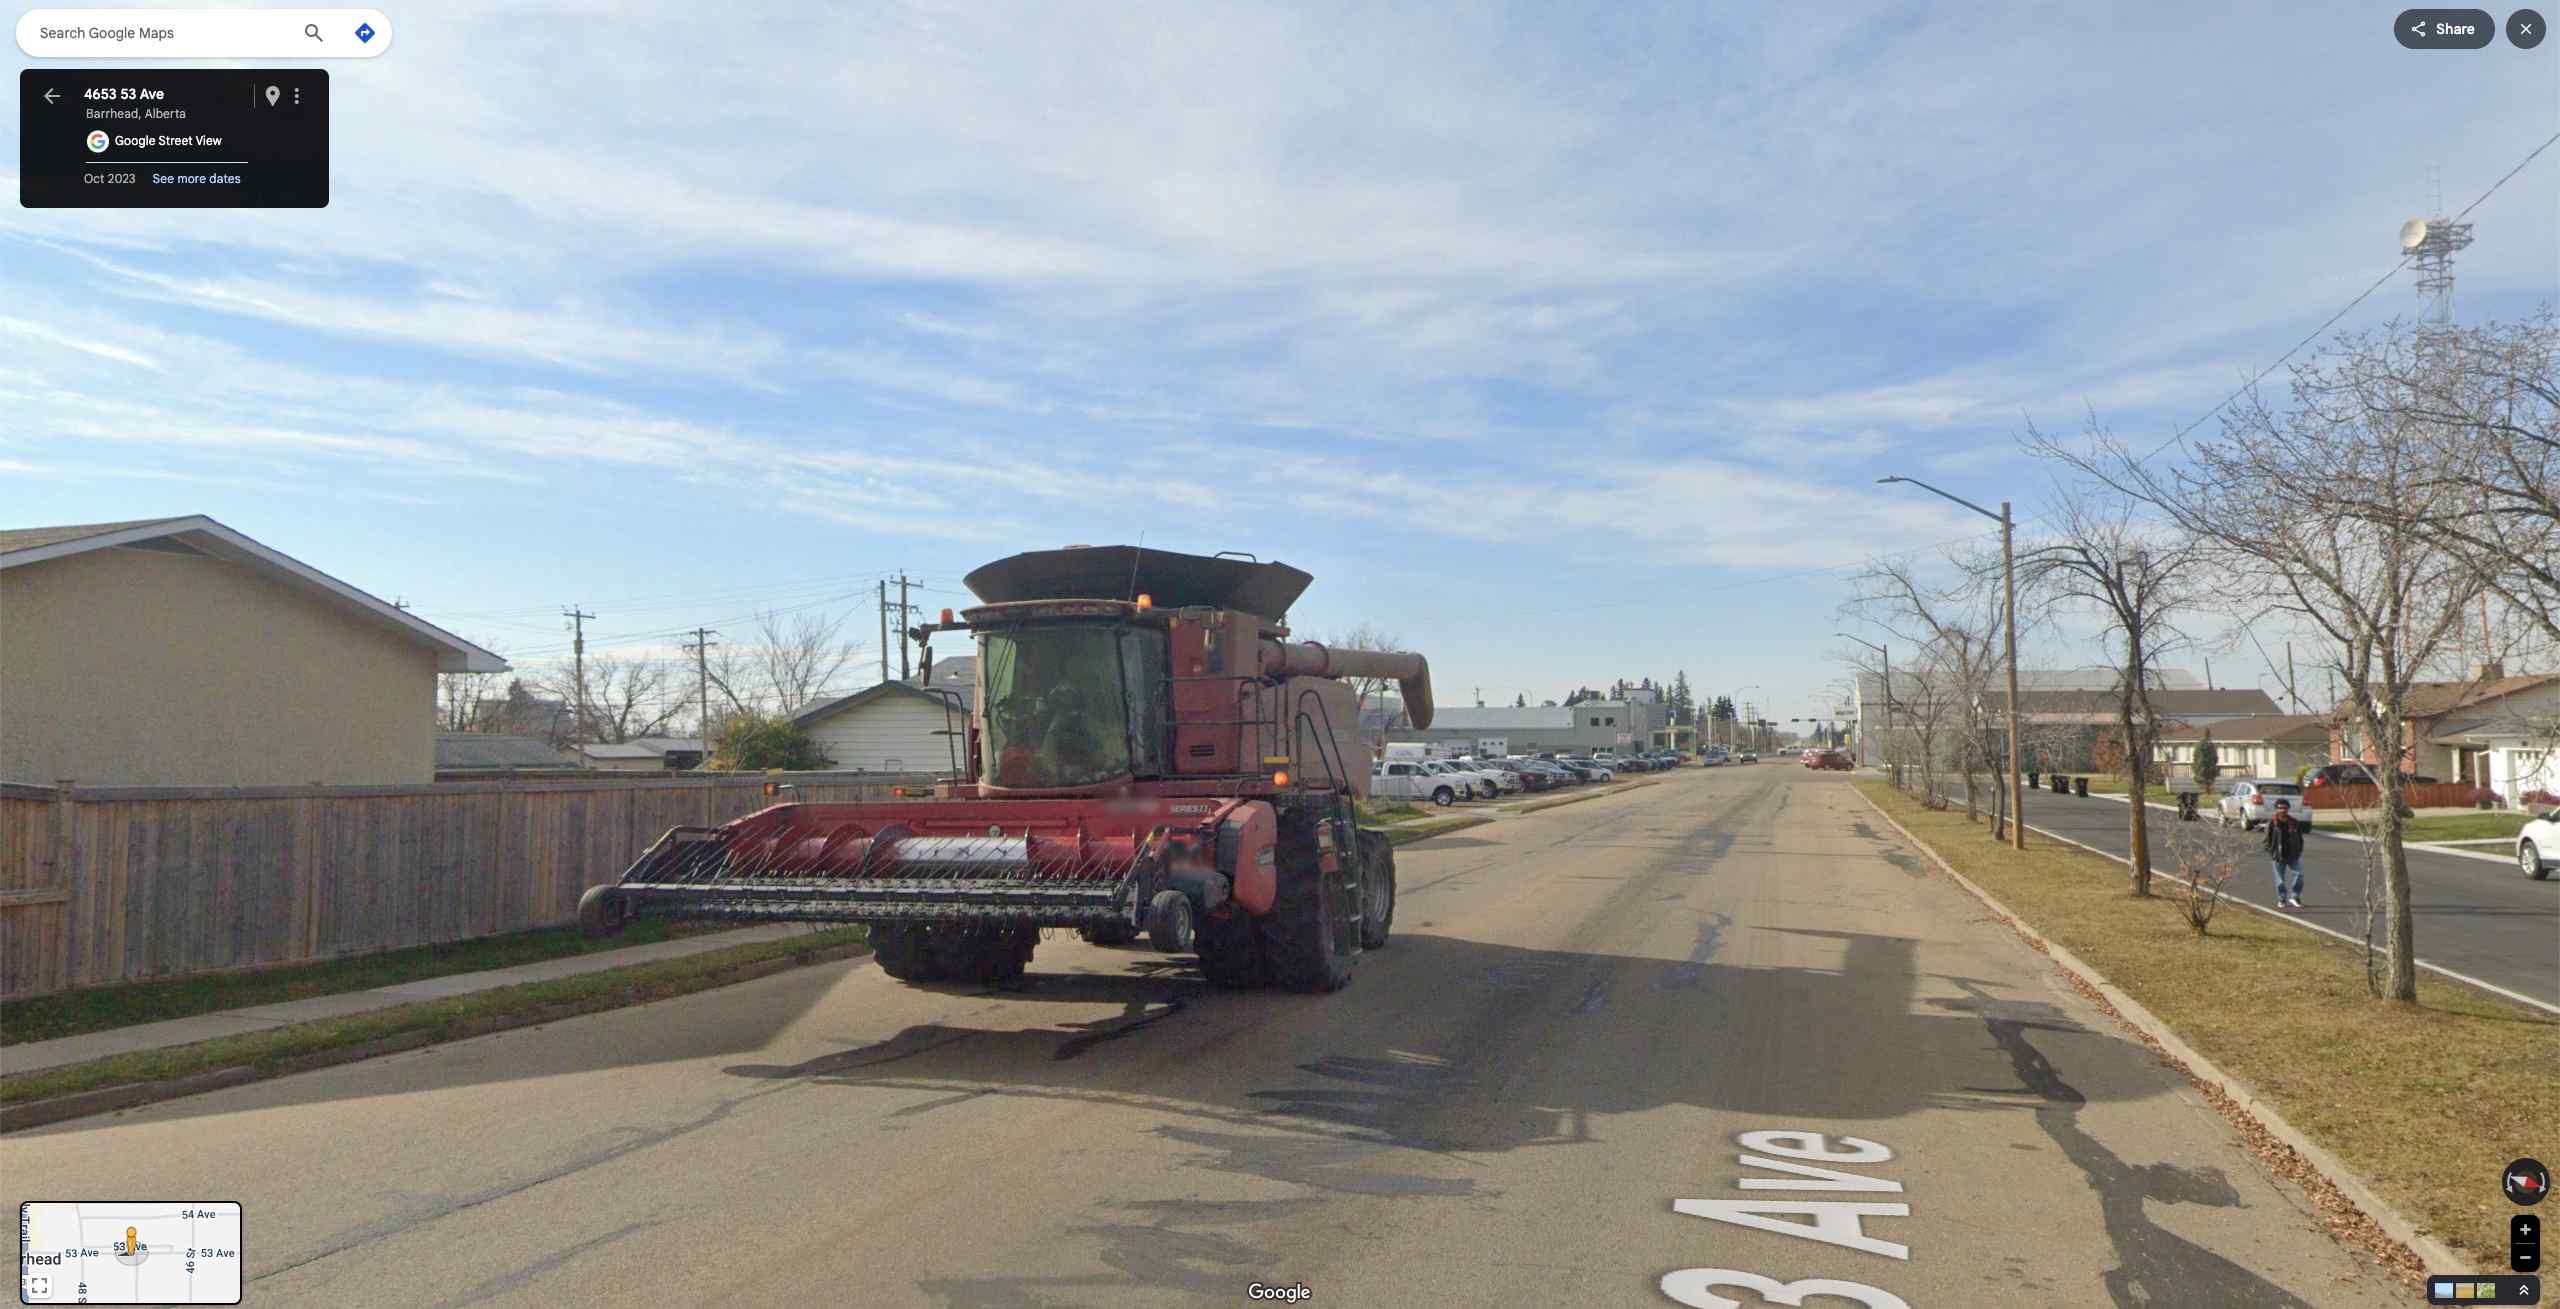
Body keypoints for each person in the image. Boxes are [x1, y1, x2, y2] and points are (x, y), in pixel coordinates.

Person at [2263, 797, 2307, 909]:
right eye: (2280, 808)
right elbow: (2266, 841)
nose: (2283, 810)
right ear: (2276, 809)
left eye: (2285, 808)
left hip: (2293, 855)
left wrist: (2299, 851)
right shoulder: (2272, 823)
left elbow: (2300, 839)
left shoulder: (2294, 823)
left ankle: (2295, 896)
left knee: (2299, 874)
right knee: (2280, 880)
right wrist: (2272, 853)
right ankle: (2282, 899)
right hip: (2278, 856)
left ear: (2288, 809)